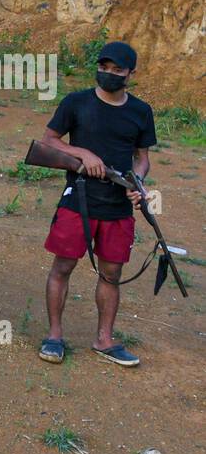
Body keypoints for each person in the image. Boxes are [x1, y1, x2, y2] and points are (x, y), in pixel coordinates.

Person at [38, 41, 156, 367]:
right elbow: (49, 140)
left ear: (131, 73)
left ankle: (104, 339)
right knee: (63, 266)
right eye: (104, 68)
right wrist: (83, 154)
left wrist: (138, 181)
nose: (109, 74)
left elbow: (142, 159)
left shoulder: (140, 111)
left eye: (117, 70)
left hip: (118, 203)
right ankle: (54, 336)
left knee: (112, 273)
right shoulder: (77, 102)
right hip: (79, 198)